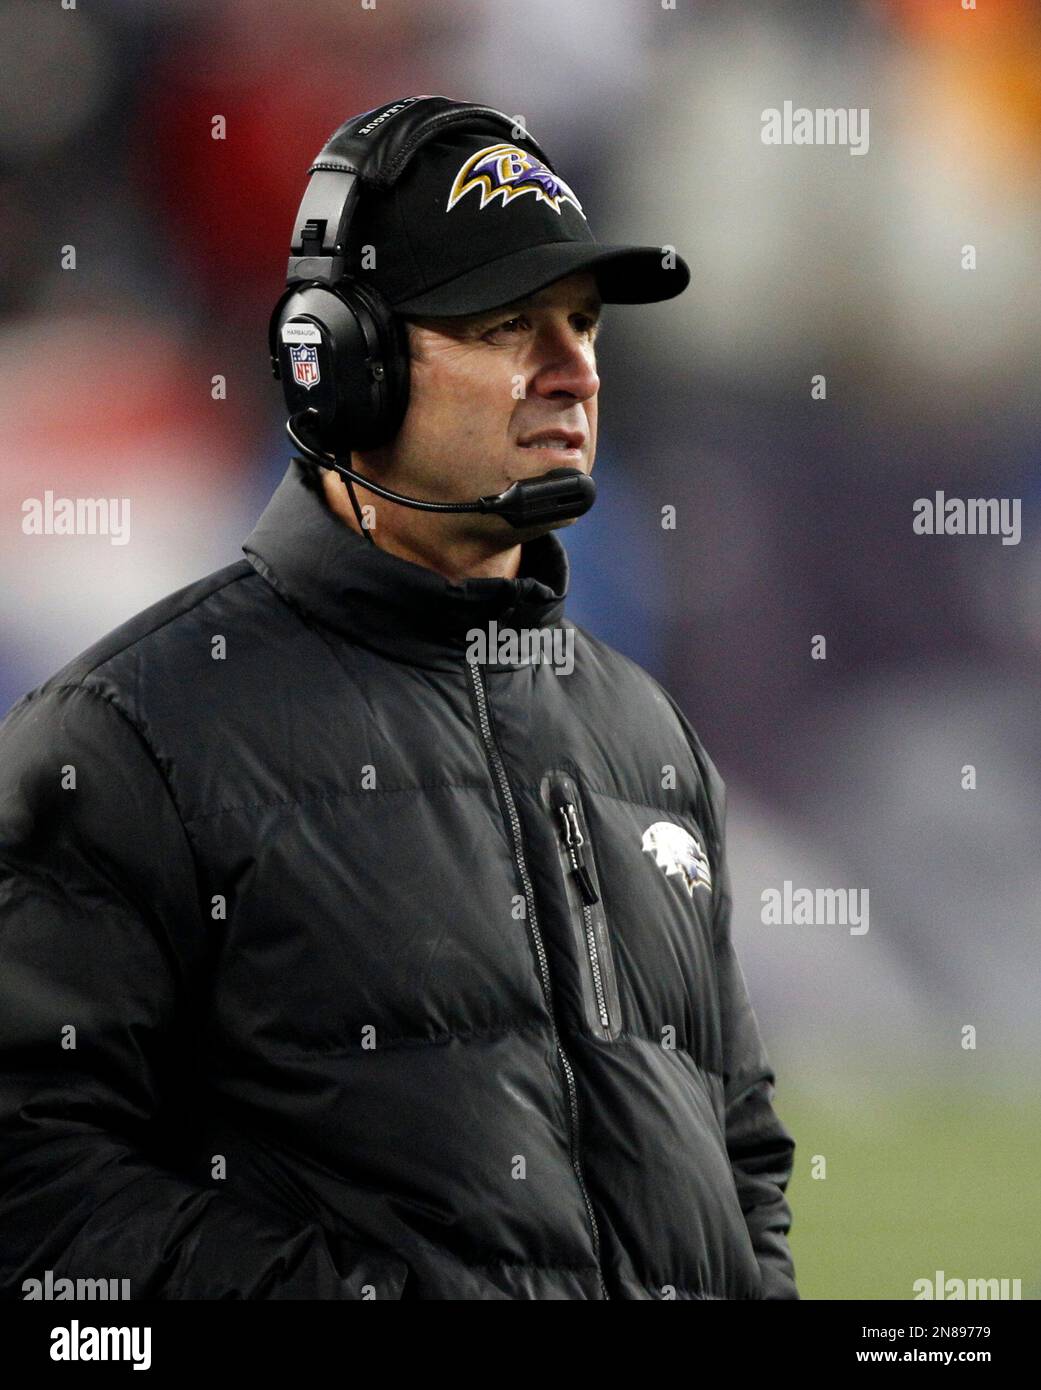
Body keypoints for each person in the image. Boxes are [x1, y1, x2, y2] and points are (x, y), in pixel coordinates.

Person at [0, 97, 798, 1300]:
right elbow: (36, 1195)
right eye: (504, 327)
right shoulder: (129, 737)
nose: (572, 368)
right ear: (343, 369)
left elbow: (742, 1156)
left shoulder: (647, 737)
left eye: (581, 322)